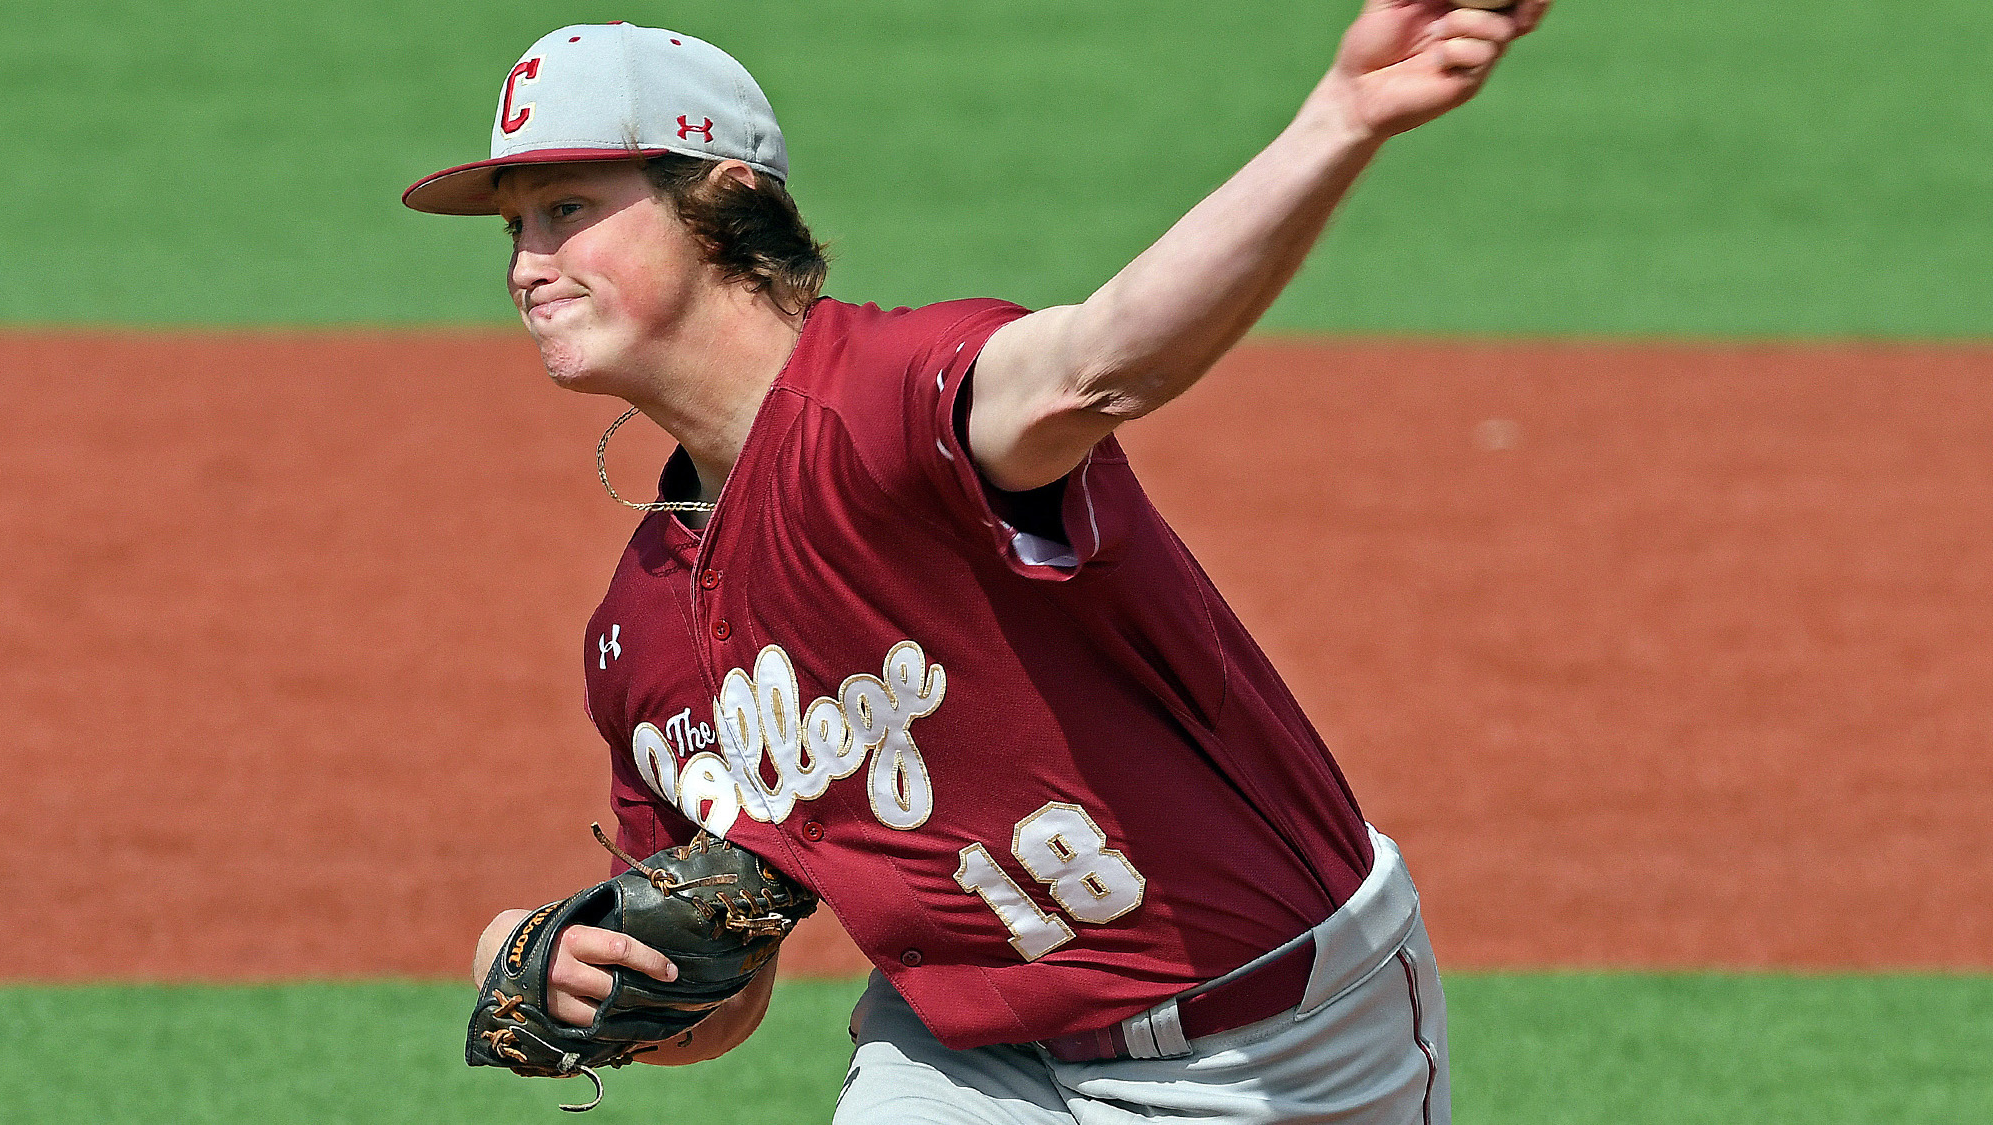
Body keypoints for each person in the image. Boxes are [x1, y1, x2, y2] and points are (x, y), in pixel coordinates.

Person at [404, 4, 1548, 1121]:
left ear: (725, 199)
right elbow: (716, 1005)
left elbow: (1095, 367)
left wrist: (1339, 117)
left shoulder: (895, 398)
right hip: (967, 1059)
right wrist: (568, 966)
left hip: (1279, 1044)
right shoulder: (637, 628)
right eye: (515, 228)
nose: (529, 265)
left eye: (566, 208)